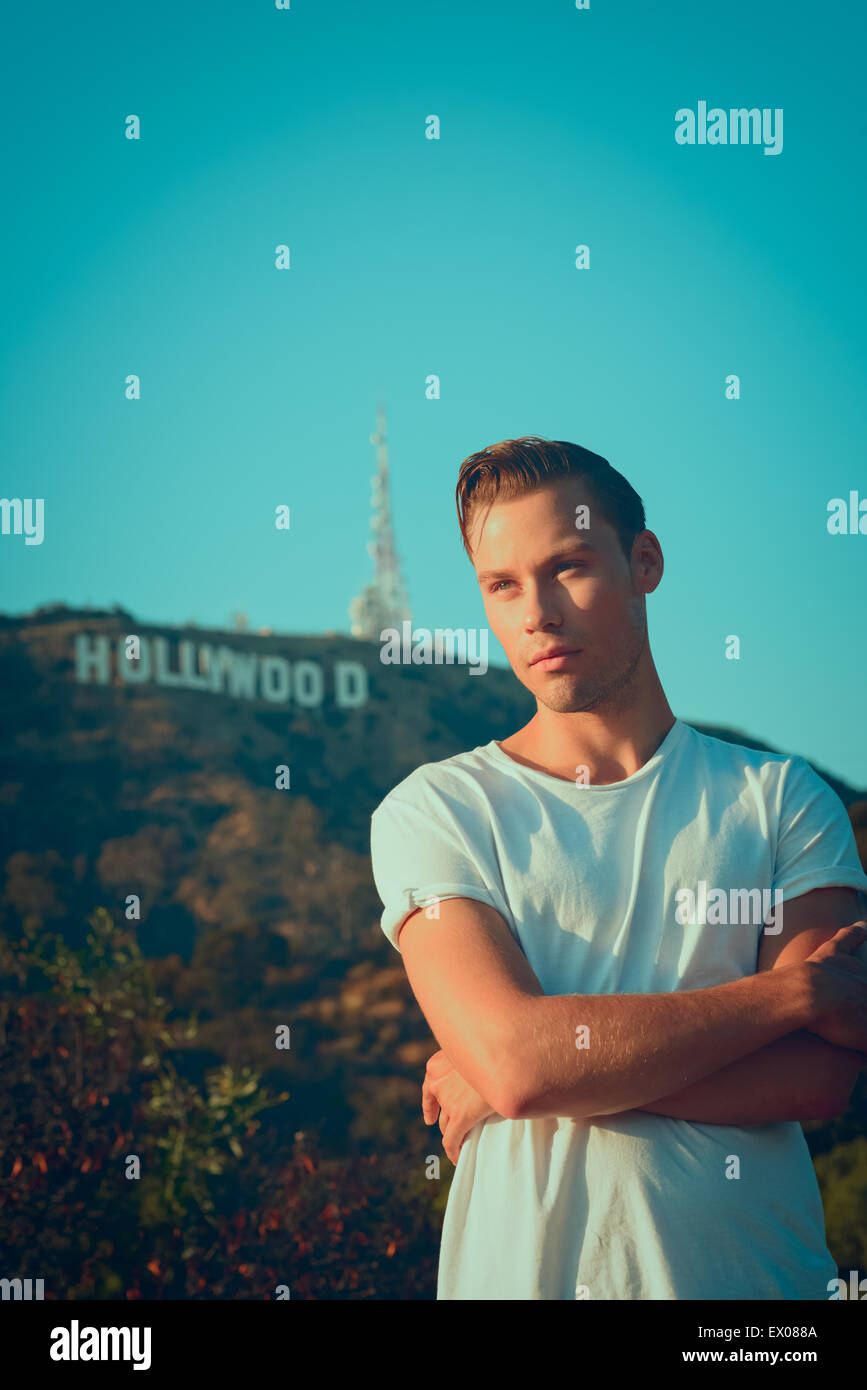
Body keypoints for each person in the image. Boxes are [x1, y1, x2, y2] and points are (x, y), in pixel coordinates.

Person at [369, 435, 867, 1300]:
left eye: (566, 567)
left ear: (644, 562)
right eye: (502, 585)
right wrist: (787, 998)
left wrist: (531, 1072)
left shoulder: (780, 798)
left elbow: (817, 1075)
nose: (537, 613)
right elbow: (519, 1064)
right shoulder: (436, 808)